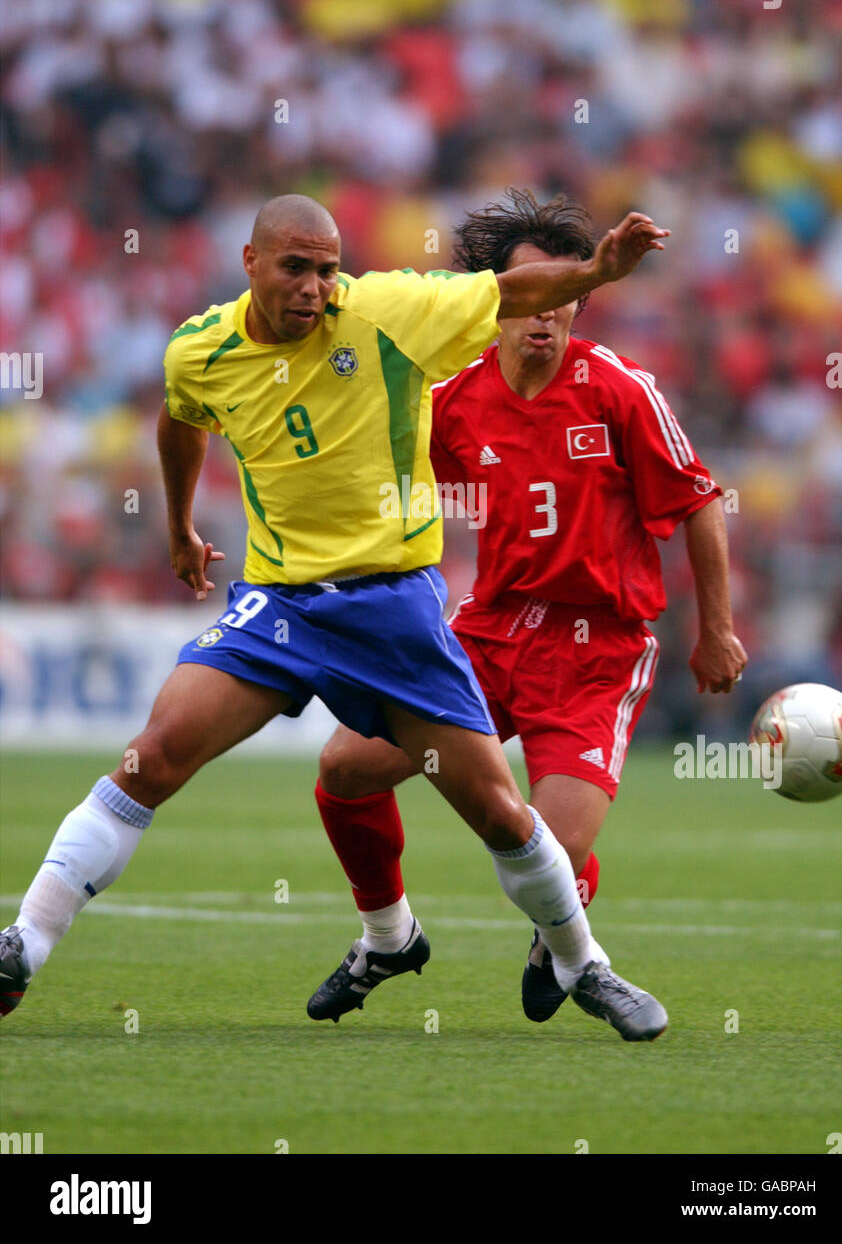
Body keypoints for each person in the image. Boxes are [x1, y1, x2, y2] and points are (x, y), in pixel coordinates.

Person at [0, 193, 672, 1042]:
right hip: (278, 606)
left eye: (327, 269)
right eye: (297, 268)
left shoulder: (388, 311)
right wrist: (178, 527)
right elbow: (181, 419)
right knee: (153, 756)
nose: (317, 287)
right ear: (251, 264)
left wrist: (597, 272)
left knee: (502, 816)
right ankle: (23, 945)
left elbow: (507, 294)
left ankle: (584, 966)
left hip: (392, 607)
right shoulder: (200, 350)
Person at [310, 188, 747, 1028]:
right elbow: (380, 477)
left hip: (597, 648)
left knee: (551, 849)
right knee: (344, 771)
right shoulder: (452, 398)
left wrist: (717, 630)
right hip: (489, 634)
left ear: (581, 305)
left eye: (566, 300)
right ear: (497, 304)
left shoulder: (618, 390)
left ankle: (558, 939)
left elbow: (697, 501)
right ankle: (389, 935)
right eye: (530, 298)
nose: (546, 318)